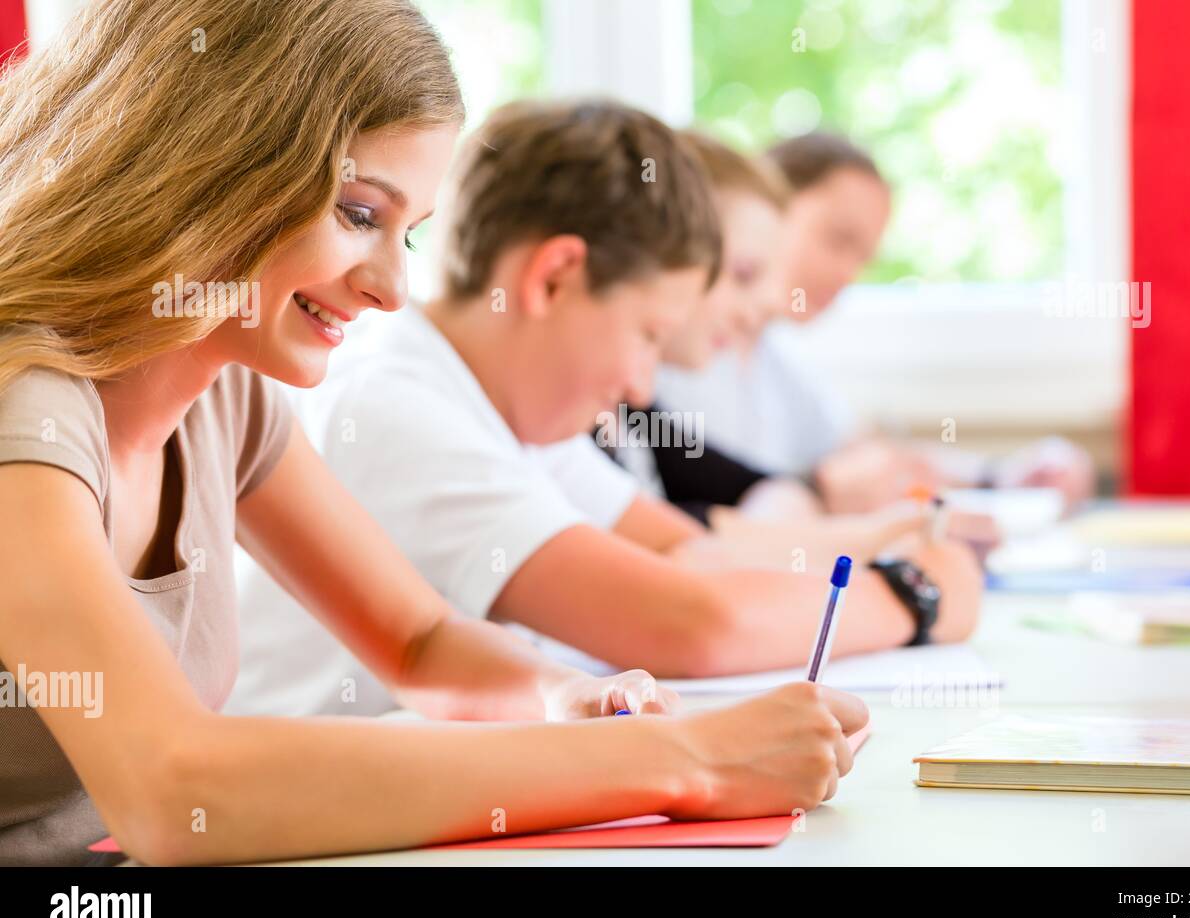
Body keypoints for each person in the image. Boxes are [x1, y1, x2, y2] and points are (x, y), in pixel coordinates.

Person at [0, 0, 867, 867]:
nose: (392, 288)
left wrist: (565, 696)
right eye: (357, 214)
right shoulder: (25, 408)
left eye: (408, 231)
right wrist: (680, 761)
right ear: (211, 163)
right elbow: (172, 789)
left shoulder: (226, 397)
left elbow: (418, 642)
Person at [229, 100, 982, 723]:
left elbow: (685, 553)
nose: (645, 388)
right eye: (648, 335)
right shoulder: (396, 403)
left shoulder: (510, 411)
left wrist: (886, 543)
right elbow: (684, 621)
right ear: (554, 279)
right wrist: (914, 595)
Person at [656, 131, 1096, 514]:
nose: (847, 273)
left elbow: (867, 455)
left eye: (862, 258)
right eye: (838, 239)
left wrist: (1001, 475)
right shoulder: (673, 356)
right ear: (770, 204)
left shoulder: (776, 364)